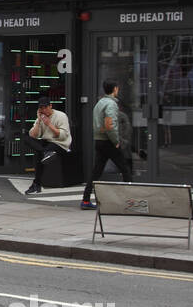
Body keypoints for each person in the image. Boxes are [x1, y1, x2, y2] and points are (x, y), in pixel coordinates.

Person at [81, 79, 133, 210]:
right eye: (117, 88)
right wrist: (116, 141)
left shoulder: (99, 103)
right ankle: (130, 202)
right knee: (125, 169)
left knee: (96, 172)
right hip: (109, 141)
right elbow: (110, 124)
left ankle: (85, 200)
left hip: (99, 141)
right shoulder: (111, 104)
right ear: (115, 89)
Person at [22, 96, 72, 195]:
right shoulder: (41, 117)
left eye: (45, 107)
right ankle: (45, 153)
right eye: (41, 108)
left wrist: (49, 124)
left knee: (38, 156)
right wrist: (39, 121)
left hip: (60, 143)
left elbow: (62, 136)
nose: (44, 110)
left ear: (50, 106)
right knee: (26, 138)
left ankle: (36, 184)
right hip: (46, 142)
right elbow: (34, 135)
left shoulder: (61, 116)